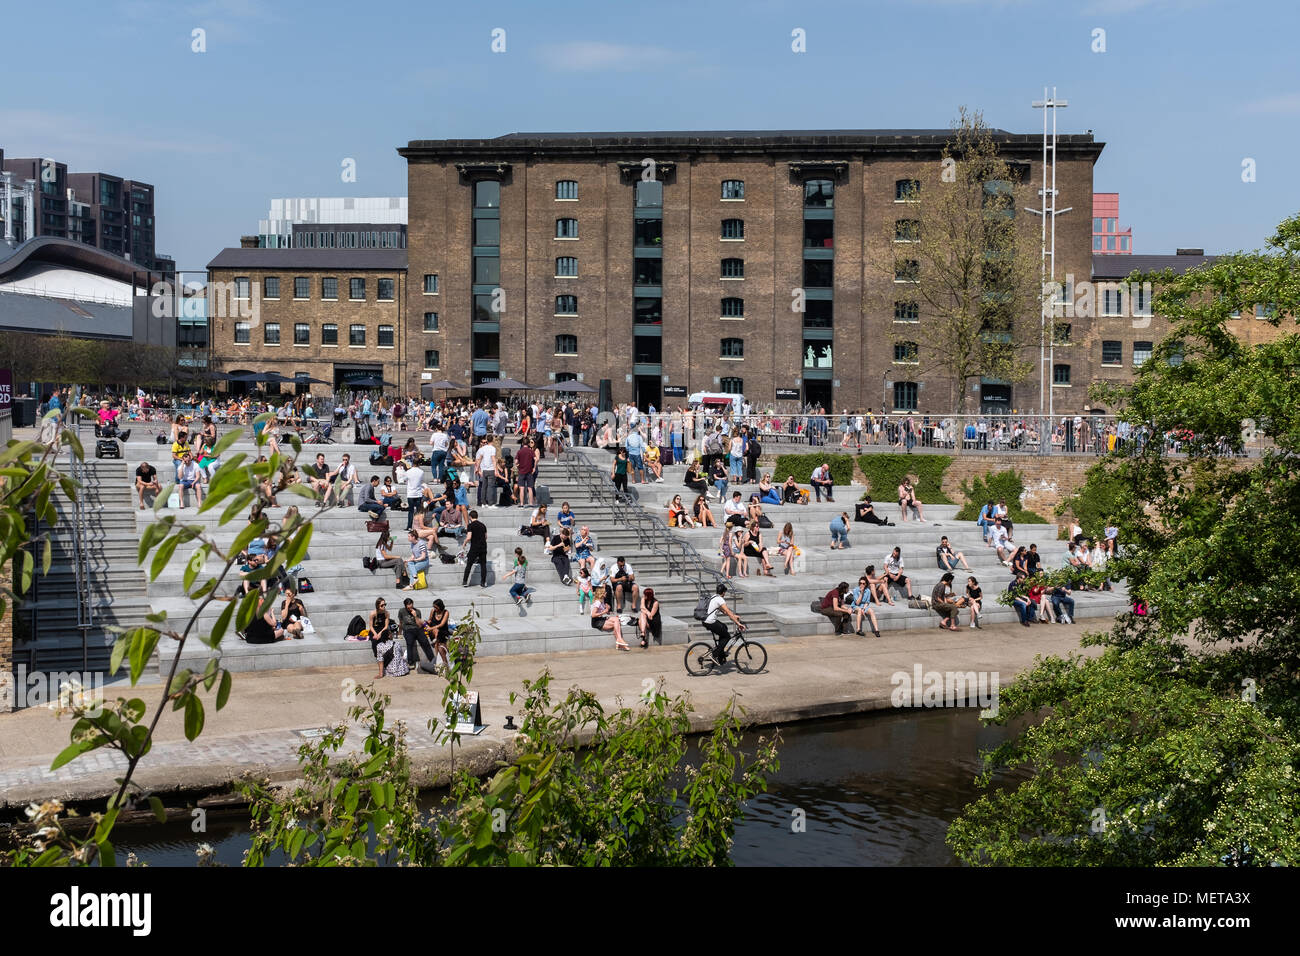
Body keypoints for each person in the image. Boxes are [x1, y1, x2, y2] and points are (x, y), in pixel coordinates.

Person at [703, 583, 745, 663]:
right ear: (723, 592)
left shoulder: (714, 596)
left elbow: (725, 611)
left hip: (706, 620)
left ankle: (720, 652)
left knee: (724, 627)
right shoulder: (720, 599)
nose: (725, 594)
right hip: (710, 622)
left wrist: (734, 616)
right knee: (727, 637)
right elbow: (728, 612)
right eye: (725, 592)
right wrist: (738, 624)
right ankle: (716, 653)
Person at [399, 597, 437, 672]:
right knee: (409, 643)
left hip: (418, 628)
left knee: (425, 643)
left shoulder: (417, 611)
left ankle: (433, 660)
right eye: (408, 605)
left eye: (411, 604)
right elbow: (401, 622)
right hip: (408, 629)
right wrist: (399, 632)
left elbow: (420, 625)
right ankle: (410, 662)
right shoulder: (401, 611)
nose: (410, 606)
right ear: (405, 605)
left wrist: (415, 616)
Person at [590, 585, 629, 651]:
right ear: (601, 593)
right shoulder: (598, 602)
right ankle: (620, 641)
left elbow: (603, 610)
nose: (606, 593)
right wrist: (604, 612)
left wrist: (607, 608)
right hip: (597, 622)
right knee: (616, 623)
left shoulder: (601, 601)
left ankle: (619, 642)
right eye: (605, 592)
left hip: (600, 619)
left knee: (616, 620)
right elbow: (593, 615)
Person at [424, 598, 453, 673]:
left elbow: (441, 624)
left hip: (442, 630)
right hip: (432, 630)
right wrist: (427, 623)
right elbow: (430, 620)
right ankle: (435, 640)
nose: (434, 609)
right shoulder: (433, 611)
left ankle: (436, 642)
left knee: (437, 632)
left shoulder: (446, 612)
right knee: (434, 630)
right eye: (434, 607)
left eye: (436, 607)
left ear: (440, 607)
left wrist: (432, 628)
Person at [462, 510, 489, 587]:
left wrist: (464, 543)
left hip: (474, 547)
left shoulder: (470, 526)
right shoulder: (483, 525)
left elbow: (469, 537)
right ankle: (483, 582)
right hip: (483, 547)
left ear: (470, 517)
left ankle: (465, 582)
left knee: (469, 564)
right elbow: (486, 537)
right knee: (483, 565)